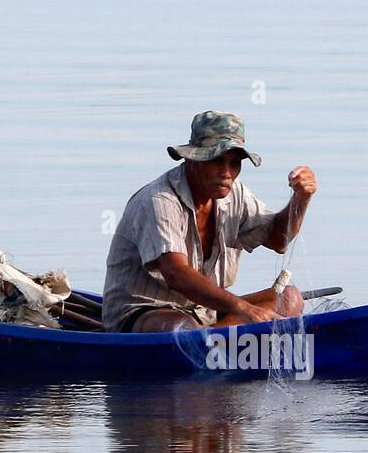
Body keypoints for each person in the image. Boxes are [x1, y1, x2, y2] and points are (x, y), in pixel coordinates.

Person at [102, 110, 317, 332]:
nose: (226, 172)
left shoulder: (236, 194)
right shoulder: (160, 200)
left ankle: (214, 341)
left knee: (290, 298)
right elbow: (176, 275)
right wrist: (244, 309)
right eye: (216, 160)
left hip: (203, 311)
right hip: (143, 312)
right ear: (192, 159)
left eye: (234, 163)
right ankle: (217, 343)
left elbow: (278, 240)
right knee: (181, 328)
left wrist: (300, 199)